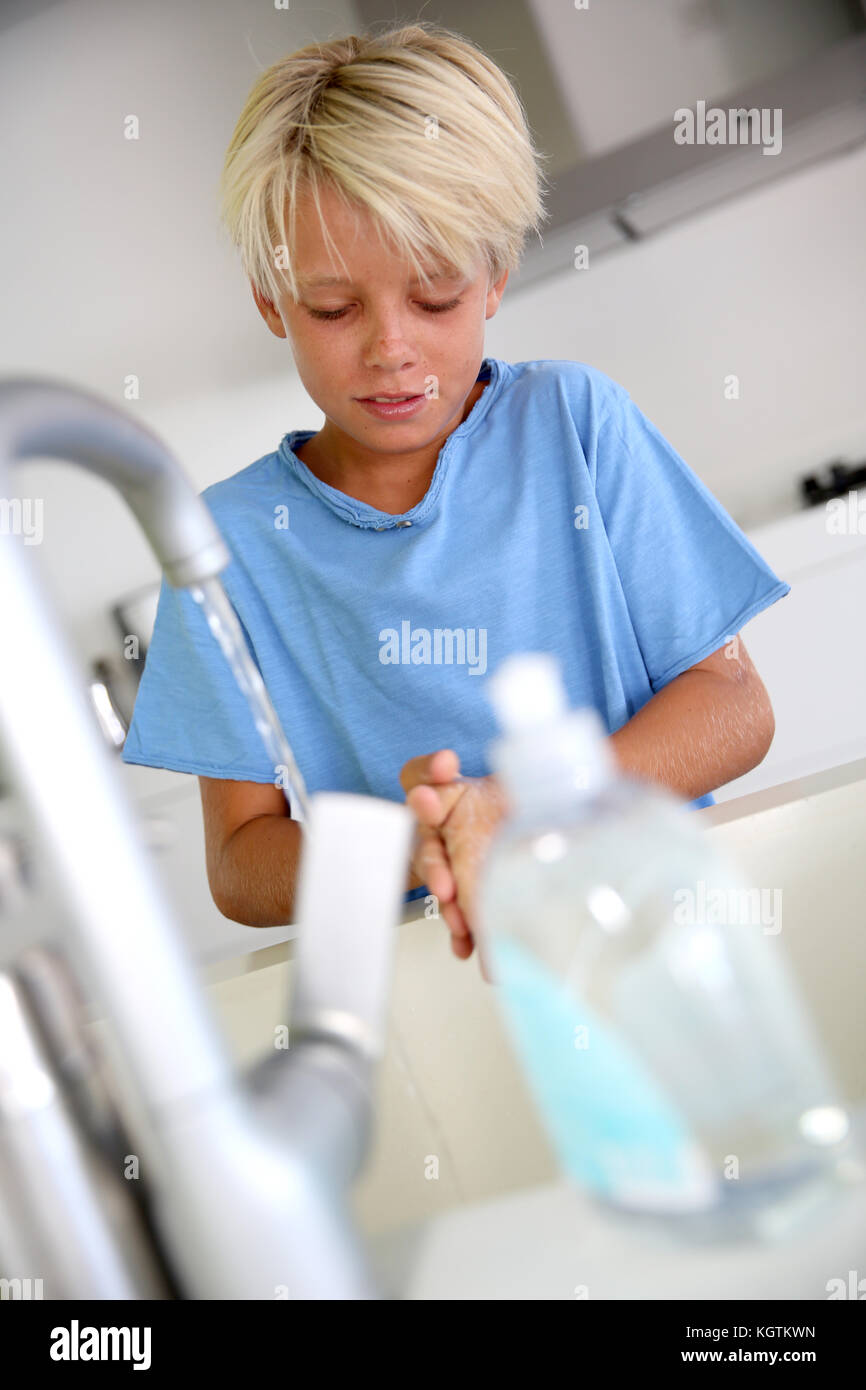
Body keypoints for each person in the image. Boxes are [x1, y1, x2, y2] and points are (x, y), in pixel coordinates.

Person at [121, 22, 789, 964]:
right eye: (334, 307)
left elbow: (732, 704)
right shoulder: (225, 544)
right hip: (437, 976)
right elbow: (239, 865)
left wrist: (519, 808)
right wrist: (424, 840)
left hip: (673, 937)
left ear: (495, 276)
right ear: (272, 301)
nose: (391, 347)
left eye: (434, 295)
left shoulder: (577, 424)